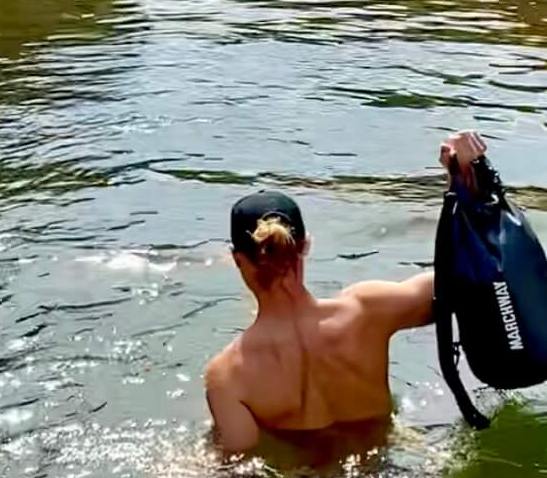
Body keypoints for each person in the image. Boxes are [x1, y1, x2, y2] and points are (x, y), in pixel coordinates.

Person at [204, 128, 488, 452]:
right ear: (305, 245)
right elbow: (466, 279)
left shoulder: (227, 375)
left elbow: (237, 470)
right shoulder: (366, 310)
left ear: (238, 260)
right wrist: (464, 181)